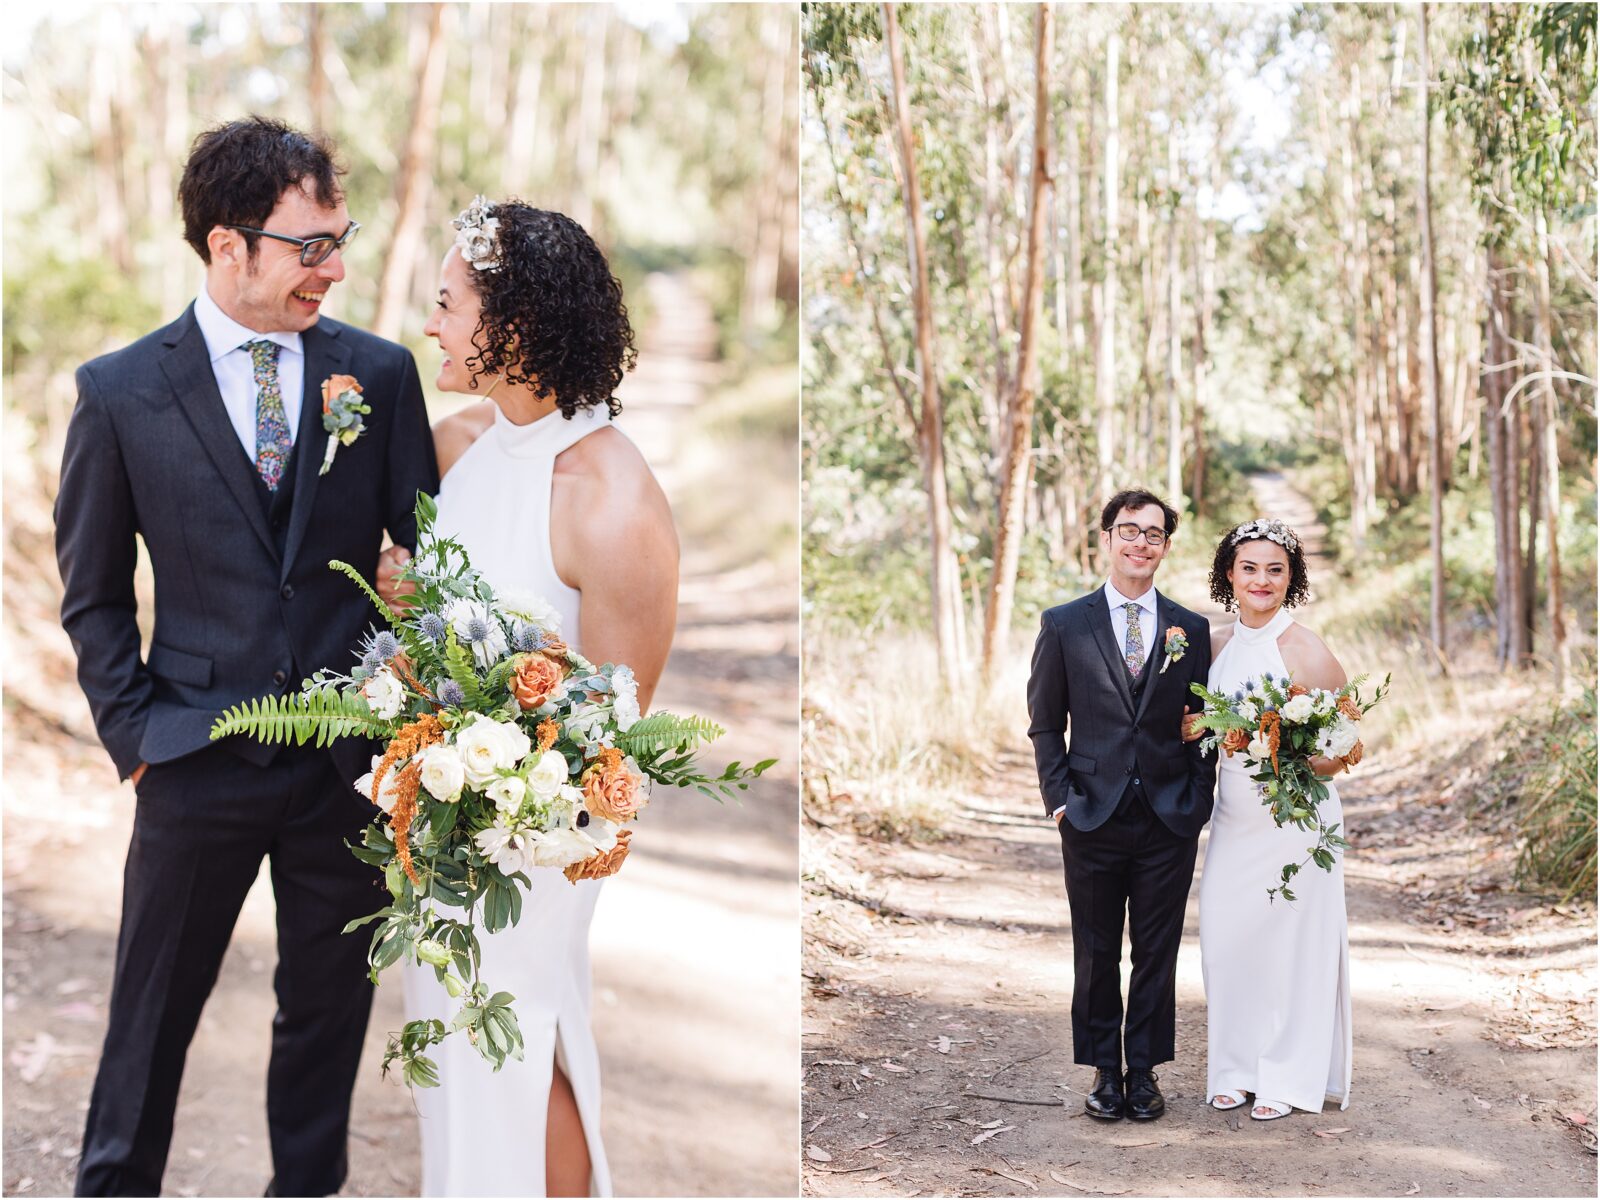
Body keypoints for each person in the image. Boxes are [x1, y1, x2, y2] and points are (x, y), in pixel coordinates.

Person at [56, 116, 439, 1196]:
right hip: (193, 760)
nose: (337, 265)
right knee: (147, 1027)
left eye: (340, 238)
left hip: (345, 771)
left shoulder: (378, 374)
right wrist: (137, 738)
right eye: (310, 243)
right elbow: (90, 597)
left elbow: (428, 558)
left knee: (324, 1027)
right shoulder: (121, 392)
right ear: (230, 245)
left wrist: (406, 719)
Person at [376, 197, 678, 1197]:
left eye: (448, 303)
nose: (432, 325)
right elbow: (424, 623)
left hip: (536, 843)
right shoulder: (460, 447)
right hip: (438, 820)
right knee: (456, 1055)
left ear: (515, 322)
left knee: (520, 1039)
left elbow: (611, 740)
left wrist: (514, 800)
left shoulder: (610, 499)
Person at [1026, 489, 1217, 1122]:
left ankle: (1145, 1073)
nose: (1141, 543)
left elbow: (1204, 722)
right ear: (1106, 538)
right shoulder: (1064, 624)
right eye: (1128, 531)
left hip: (1168, 817)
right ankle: (1105, 1070)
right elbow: (1046, 724)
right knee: (1097, 948)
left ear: (1166, 546)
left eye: (1154, 534)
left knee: (1157, 952)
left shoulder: (1190, 628)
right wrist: (1059, 801)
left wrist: (1197, 795)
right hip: (1090, 814)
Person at [1183, 518, 1353, 1120]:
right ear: (1228, 574)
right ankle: (1232, 1067)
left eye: (1274, 570)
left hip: (1298, 819)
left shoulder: (1305, 648)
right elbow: (1193, 724)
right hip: (1233, 819)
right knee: (1228, 941)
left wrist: (1294, 755)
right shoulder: (1215, 644)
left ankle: (1286, 1076)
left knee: (1290, 946)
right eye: (1249, 568)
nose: (1261, 580)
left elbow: (1347, 742)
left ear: (1291, 579)